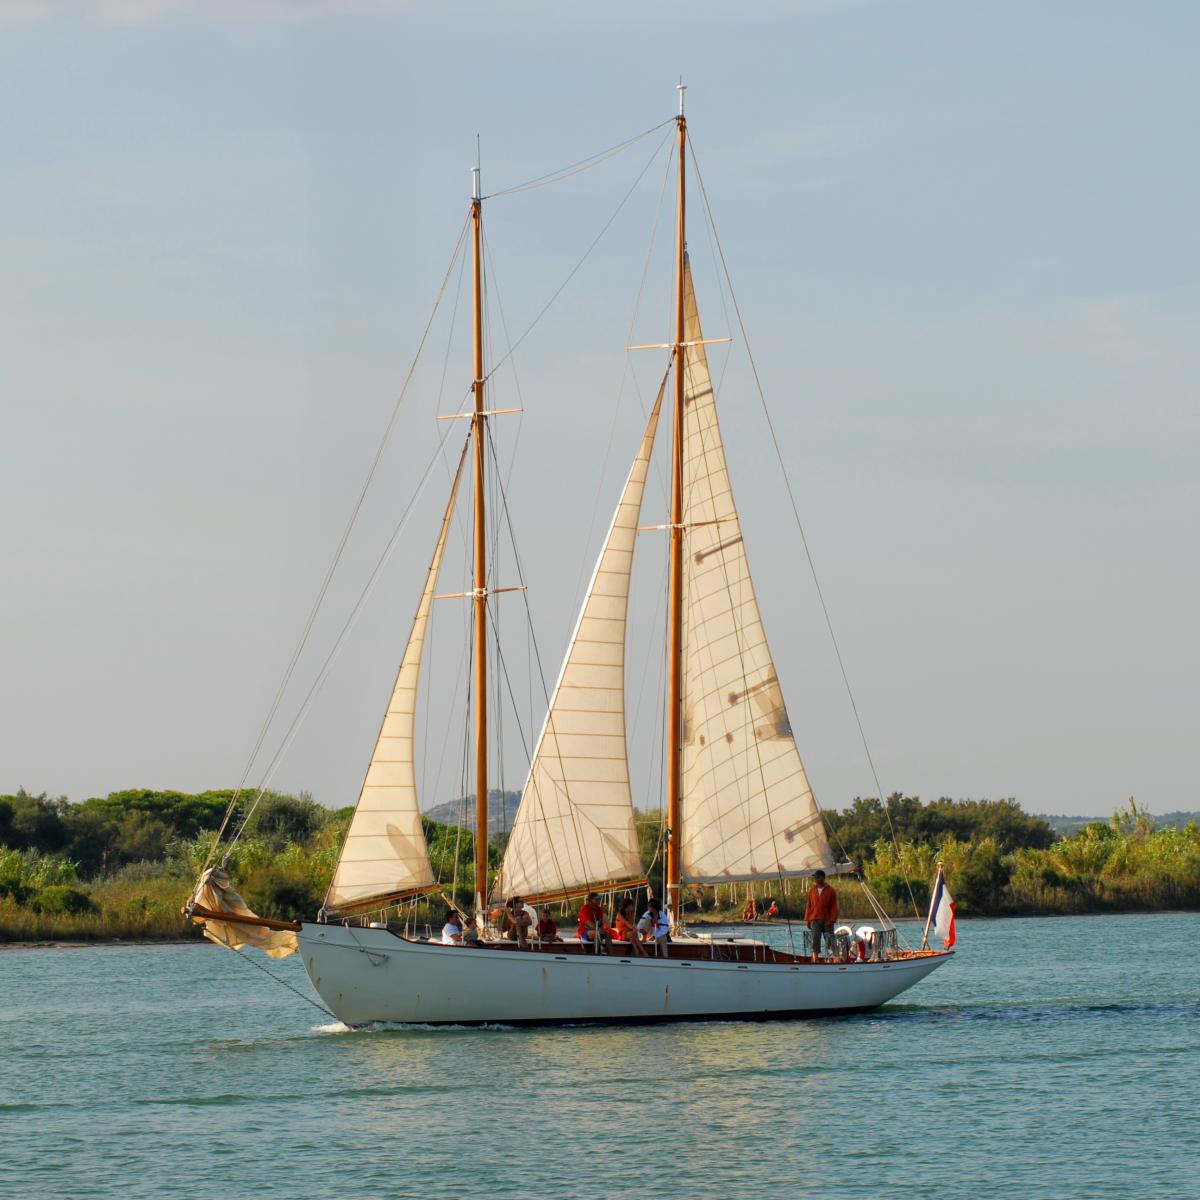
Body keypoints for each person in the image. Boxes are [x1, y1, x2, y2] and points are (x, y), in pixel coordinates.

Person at [804, 869, 838, 962]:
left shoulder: (831, 890)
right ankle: (816, 958)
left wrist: (832, 920)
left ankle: (835, 958)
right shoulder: (812, 890)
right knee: (815, 938)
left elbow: (834, 906)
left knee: (830, 939)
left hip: (827, 920)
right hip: (815, 919)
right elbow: (809, 905)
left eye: (818, 877)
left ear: (823, 878)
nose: (816, 879)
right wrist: (807, 919)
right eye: (815, 877)